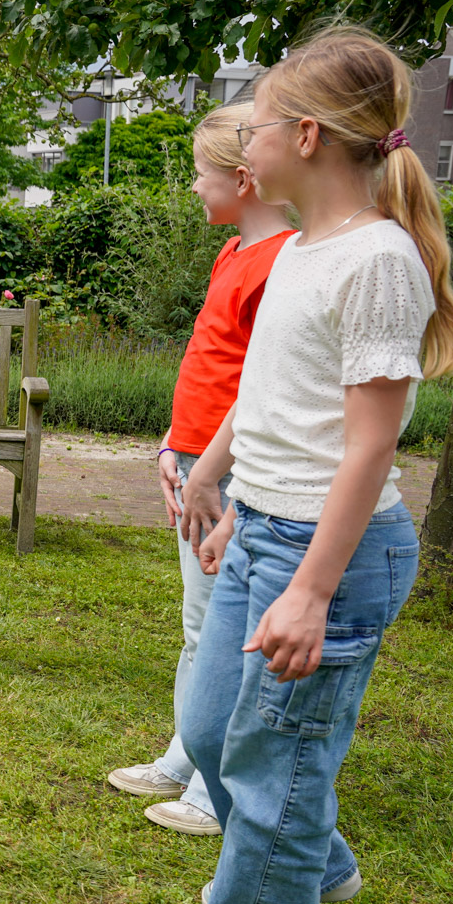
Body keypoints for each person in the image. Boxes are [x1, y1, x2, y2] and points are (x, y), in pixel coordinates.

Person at [126, 26, 453, 904]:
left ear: (306, 137)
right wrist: (216, 481)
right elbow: (265, 392)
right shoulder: (298, 248)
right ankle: (310, 860)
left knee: (274, 754)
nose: (247, 143)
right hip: (262, 526)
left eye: (259, 125)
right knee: (212, 730)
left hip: (328, 555)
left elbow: (371, 446)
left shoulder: (377, 260)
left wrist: (312, 590)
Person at [105, 104, 293, 836]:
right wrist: (172, 445)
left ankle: (216, 790)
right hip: (196, 461)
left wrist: (211, 466)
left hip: (235, 471)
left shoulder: (281, 263)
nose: (192, 187)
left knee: (224, 630)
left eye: (198, 174)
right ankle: (186, 757)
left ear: (243, 179)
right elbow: (207, 364)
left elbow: (262, 388)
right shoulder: (233, 254)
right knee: (199, 625)